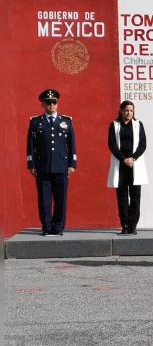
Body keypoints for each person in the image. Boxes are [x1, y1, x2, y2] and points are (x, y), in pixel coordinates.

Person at [26, 89, 77, 236]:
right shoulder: (36, 122)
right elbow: (30, 145)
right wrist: (31, 164)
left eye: (54, 102)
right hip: (43, 166)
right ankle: (47, 227)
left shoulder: (66, 122)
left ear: (57, 103)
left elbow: (72, 144)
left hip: (61, 167)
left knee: (61, 199)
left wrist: (72, 164)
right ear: (42, 104)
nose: (51, 105)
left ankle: (58, 227)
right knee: (44, 200)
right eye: (48, 103)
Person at [107, 100, 148, 235]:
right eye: (126, 110)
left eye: (131, 110)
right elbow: (112, 145)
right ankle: (124, 225)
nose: (128, 113)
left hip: (135, 165)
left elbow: (143, 144)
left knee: (135, 196)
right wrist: (124, 159)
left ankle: (133, 225)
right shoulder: (115, 125)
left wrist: (133, 158)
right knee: (122, 197)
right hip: (121, 165)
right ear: (121, 111)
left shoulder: (138, 125)